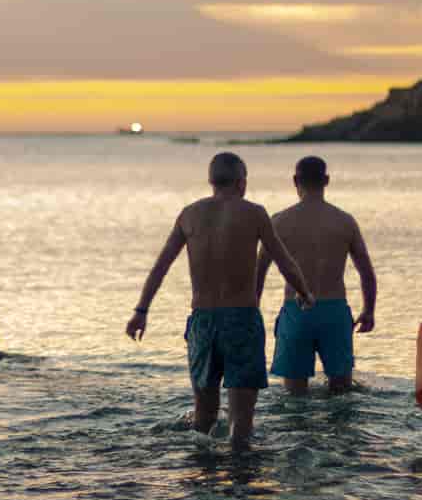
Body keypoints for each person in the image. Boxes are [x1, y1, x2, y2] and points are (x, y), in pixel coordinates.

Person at [127, 151, 315, 448]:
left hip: (203, 323)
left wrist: (141, 311)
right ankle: (239, 484)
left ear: (211, 181)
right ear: (242, 182)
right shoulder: (253, 213)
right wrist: (304, 293)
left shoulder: (189, 214)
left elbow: (161, 266)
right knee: (241, 422)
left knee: (204, 416)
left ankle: (204, 483)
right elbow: (284, 261)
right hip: (241, 319)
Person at [254, 155, 377, 394]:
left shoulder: (279, 222)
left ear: (295, 181)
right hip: (334, 312)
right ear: (327, 180)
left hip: (296, 312)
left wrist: (252, 313)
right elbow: (367, 273)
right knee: (341, 394)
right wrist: (368, 310)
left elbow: (258, 274)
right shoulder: (344, 221)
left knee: (294, 398)